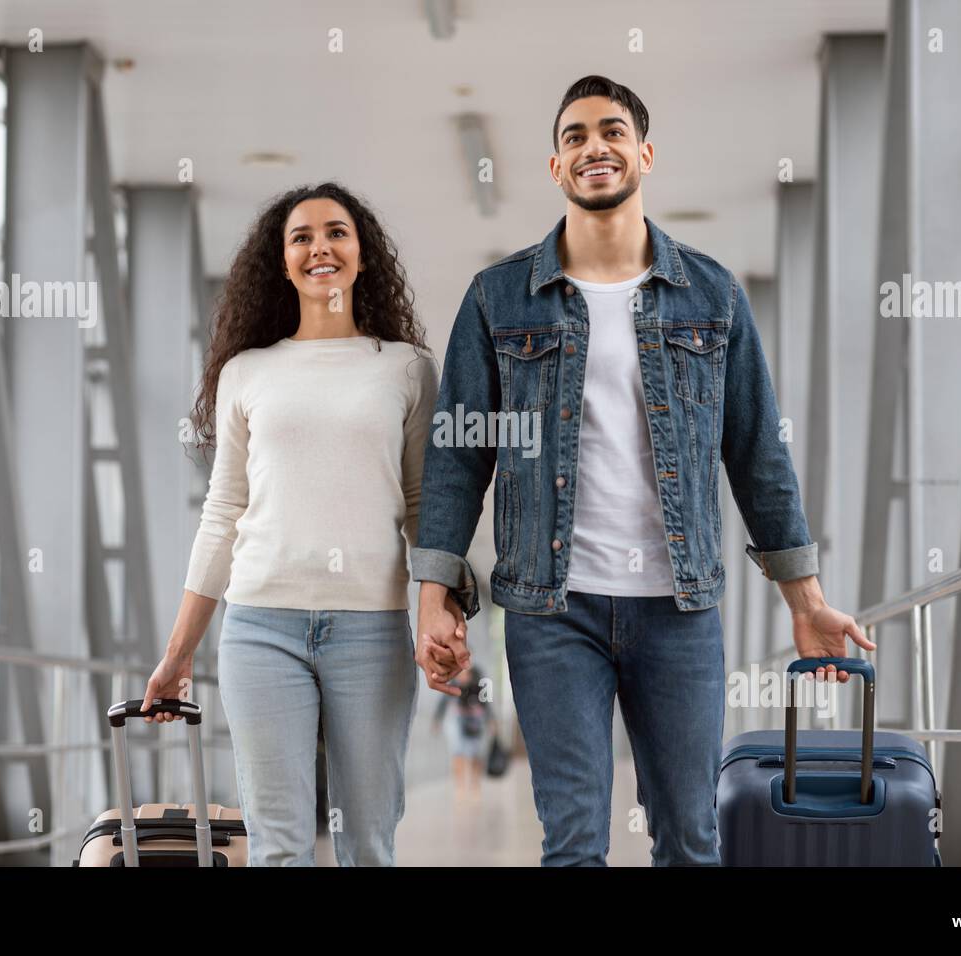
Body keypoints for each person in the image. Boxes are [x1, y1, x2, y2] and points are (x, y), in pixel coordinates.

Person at [410, 76, 875, 866]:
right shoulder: (498, 299)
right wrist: (433, 596)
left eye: (613, 131)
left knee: (692, 839)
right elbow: (458, 454)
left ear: (645, 154)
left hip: (679, 610)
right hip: (551, 610)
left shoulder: (712, 293)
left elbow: (757, 452)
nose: (595, 146)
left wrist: (808, 600)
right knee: (575, 844)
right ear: (555, 167)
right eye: (576, 136)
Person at [140, 182, 464, 866]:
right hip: (260, 628)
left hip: (370, 633)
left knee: (368, 844)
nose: (320, 246)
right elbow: (224, 513)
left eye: (336, 232)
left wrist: (439, 609)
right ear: (282, 263)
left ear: (363, 254)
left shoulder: (404, 369)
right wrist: (178, 653)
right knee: (279, 847)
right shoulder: (247, 372)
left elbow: (422, 503)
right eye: (302, 237)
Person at [431, 665, 497, 798]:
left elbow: (487, 702)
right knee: (458, 752)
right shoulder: (453, 679)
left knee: (476, 753)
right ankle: (460, 786)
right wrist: (437, 719)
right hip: (456, 720)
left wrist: (491, 721)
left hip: (475, 720)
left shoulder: (480, 679)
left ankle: (475, 784)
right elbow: (443, 701)